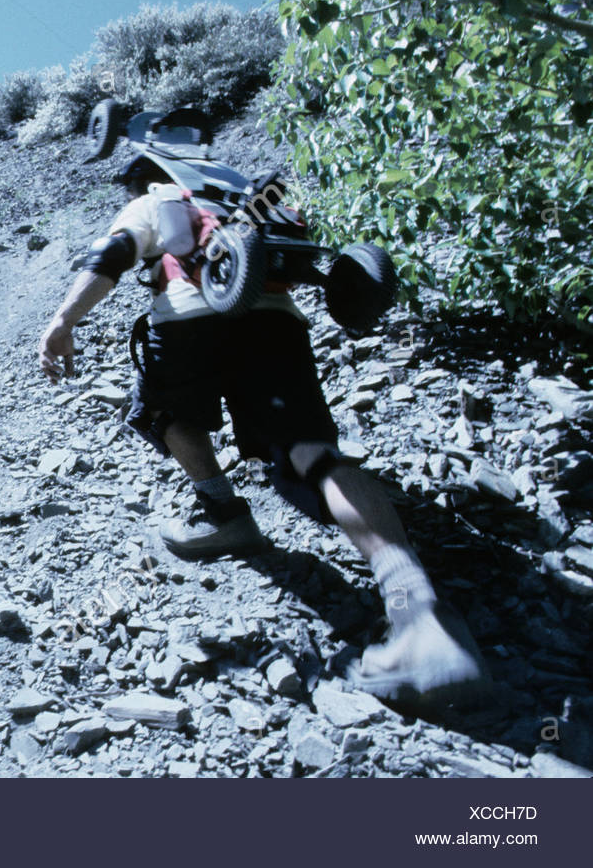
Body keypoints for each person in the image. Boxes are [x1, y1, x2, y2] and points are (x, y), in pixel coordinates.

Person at [36, 152, 488, 703]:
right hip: (275, 321)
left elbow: (114, 252)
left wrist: (63, 321)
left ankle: (226, 514)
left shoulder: (158, 199)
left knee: (162, 410)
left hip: (187, 320)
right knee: (313, 455)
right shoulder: (242, 203)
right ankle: (418, 612)